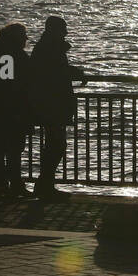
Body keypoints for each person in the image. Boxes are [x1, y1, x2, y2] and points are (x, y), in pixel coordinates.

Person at [27, 16, 85, 202]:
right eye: (63, 29)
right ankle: (45, 186)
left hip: (49, 104)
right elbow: (56, 73)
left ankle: (45, 185)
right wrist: (75, 72)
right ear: (56, 30)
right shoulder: (51, 49)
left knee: (54, 145)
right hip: (52, 104)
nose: (66, 32)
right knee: (56, 145)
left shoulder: (45, 47)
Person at [0, 22, 32, 196]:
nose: (26, 39)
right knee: (12, 147)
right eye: (23, 35)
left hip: (3, 106)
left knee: (3, 146)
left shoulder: (1, 52)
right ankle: (9, 183)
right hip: (12, 107)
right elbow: (9, 83)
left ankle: (3, 182)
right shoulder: (9, 55)